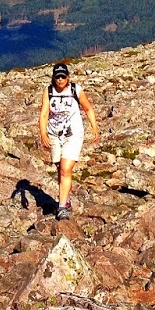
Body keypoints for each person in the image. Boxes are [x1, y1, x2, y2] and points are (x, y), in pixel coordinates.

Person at [38, 62, 98, 220]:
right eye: (57, 76)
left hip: (73, 134)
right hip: (55, 134)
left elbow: (88, 108)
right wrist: (43, 133)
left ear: (68, 77)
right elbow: (44, 113)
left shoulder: (76, 90)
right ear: (53, 77)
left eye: (63, 76)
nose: (60, 79)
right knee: (59, 168)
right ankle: (67, 197)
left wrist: (94, 127)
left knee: (65, 168)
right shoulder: (48, 91)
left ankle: (62, 207)